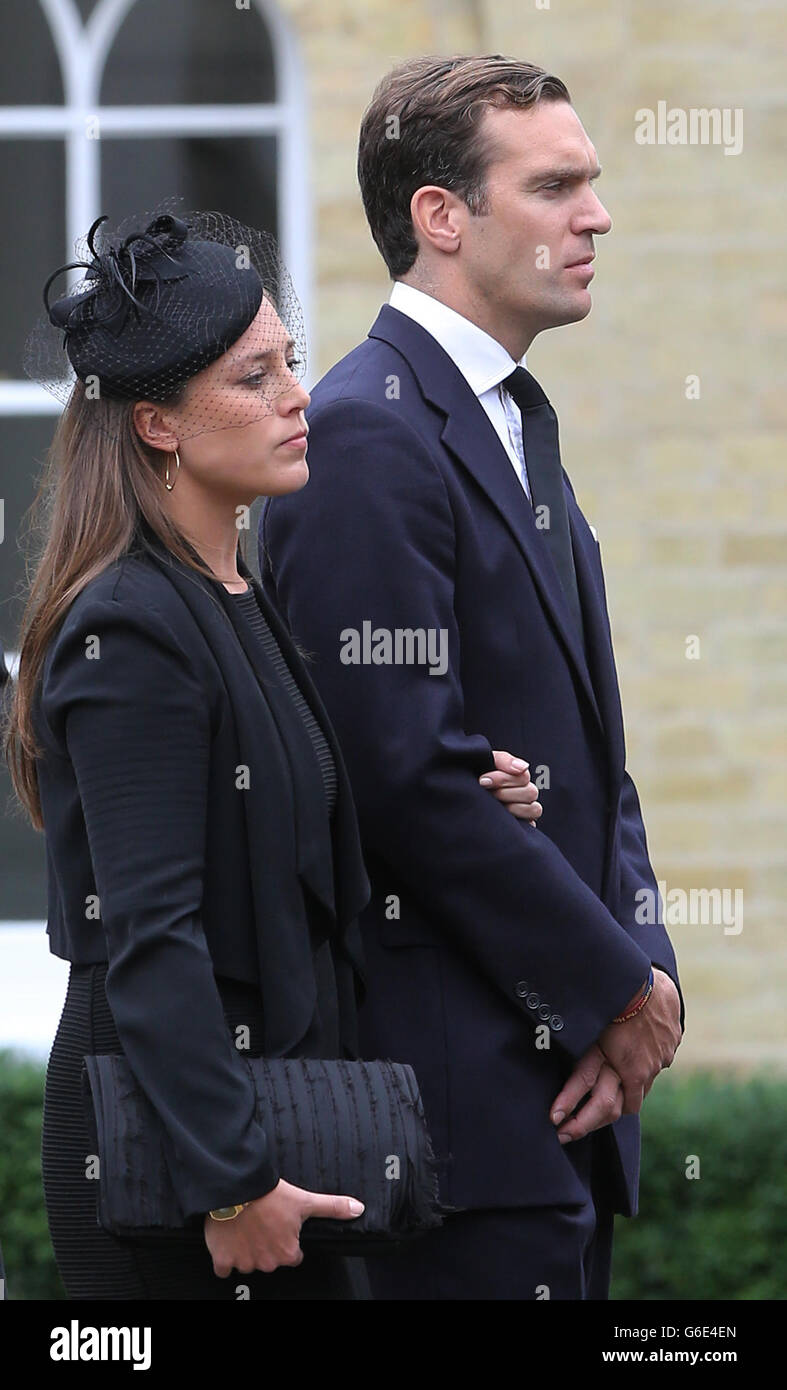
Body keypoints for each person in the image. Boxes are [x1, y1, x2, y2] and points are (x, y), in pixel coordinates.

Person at [260, 56, 685, 1300]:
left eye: (591, 185)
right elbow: (403, 779)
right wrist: (608, 990)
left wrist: (640, 975)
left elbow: (597, 762)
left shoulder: (512, 417)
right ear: (441, 216)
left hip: (563, 1102)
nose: (594, 215)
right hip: (456, 1127)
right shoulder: (365, 435)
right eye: (554, 186)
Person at [4, 207, 377, 1300]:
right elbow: (151, 936)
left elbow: (286, 867)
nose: (298, 397)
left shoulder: (233, 594)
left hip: (264, 1129)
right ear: (159, 423)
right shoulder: (133, 626)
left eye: (290, 365)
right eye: (254, 377)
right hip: (172, 1168)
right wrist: (230, 1179)